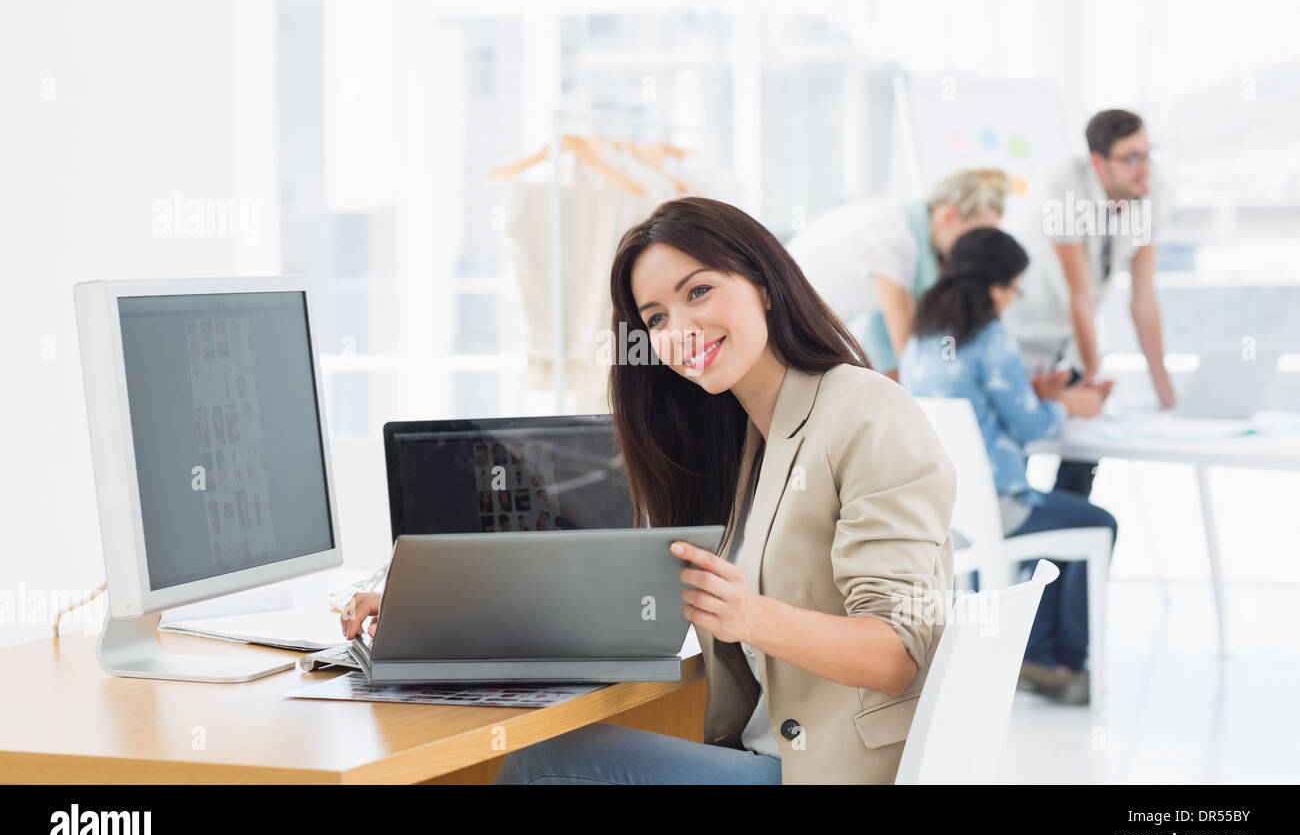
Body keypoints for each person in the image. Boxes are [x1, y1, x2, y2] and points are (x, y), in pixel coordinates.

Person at [345, 197, 959, 784]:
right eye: (657, 319)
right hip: (770, 757)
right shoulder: (742, 440)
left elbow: (897, 653)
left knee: (542, 763)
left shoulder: (867, 412)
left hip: (832, 774)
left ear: (766, 285)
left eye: (699, 291)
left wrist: (752, 616)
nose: (680, 330)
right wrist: (431, 609)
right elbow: (602, 587)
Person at [898, 227, 1117, 704]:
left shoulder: (920, 337)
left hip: (948, 512)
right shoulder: (990, 336)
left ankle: (1040, 650)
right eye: (1014, 288)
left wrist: (1036, 395)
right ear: (996, 285)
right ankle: (1057, 656)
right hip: (998, 508)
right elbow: (1031, 427)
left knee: (1062, 511)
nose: (1012, 299)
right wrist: (1072, 404)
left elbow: (978, 408)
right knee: (1097, 520)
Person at [1003, 108, 1175, 499]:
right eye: (1131, 158)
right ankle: (1006, 559)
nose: (1144, 167)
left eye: (1147, 153)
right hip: (1021, 340)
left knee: (1084, 463)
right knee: (1017, 461)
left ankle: (1062, 560)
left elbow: (1143, 302)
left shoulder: (1150, 189)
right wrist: (1094, 380)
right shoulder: (1064, 185)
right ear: (1098, 162)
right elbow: (1078, 295)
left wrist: (1168, 398)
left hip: (1072, 346)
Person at [786, 168, 1010, 380]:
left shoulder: (904, 229)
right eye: (976, 235)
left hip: (806, 330)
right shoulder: (893, 236)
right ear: (948, 216)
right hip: (788, 322)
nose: (978, 248)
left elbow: (887, 334)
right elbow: (910, 352)